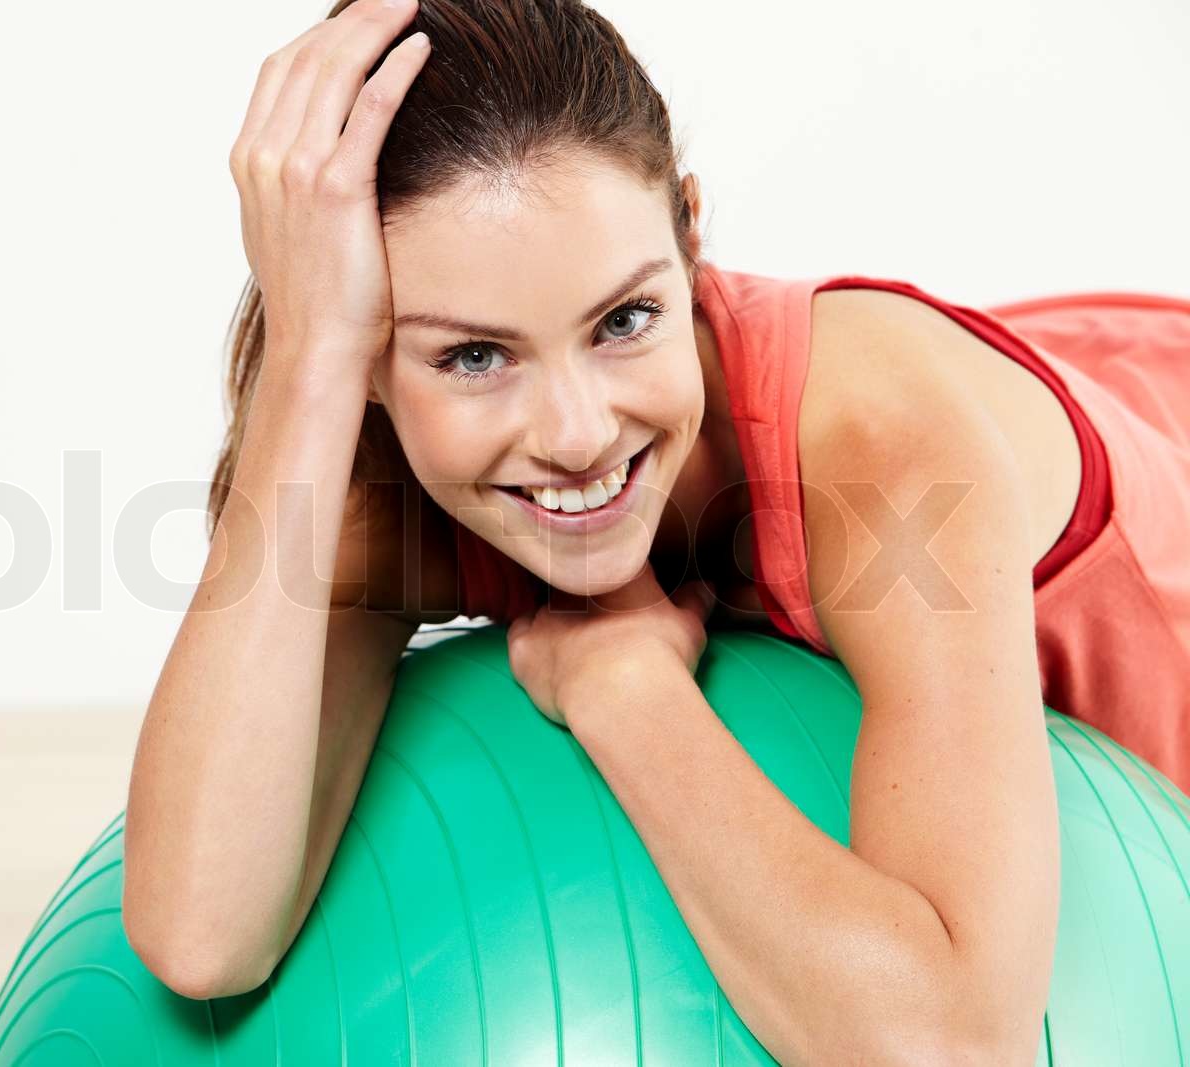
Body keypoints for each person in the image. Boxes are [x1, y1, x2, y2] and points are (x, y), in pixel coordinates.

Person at [122, 0, 1190, 1061]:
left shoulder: (891, 459)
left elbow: (951, 1045)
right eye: (475, 357)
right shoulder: (379, 476)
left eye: (624, 319)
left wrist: (628, 696)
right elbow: (201, 935)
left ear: (688, 236)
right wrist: (308, 355)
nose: (577, 434)